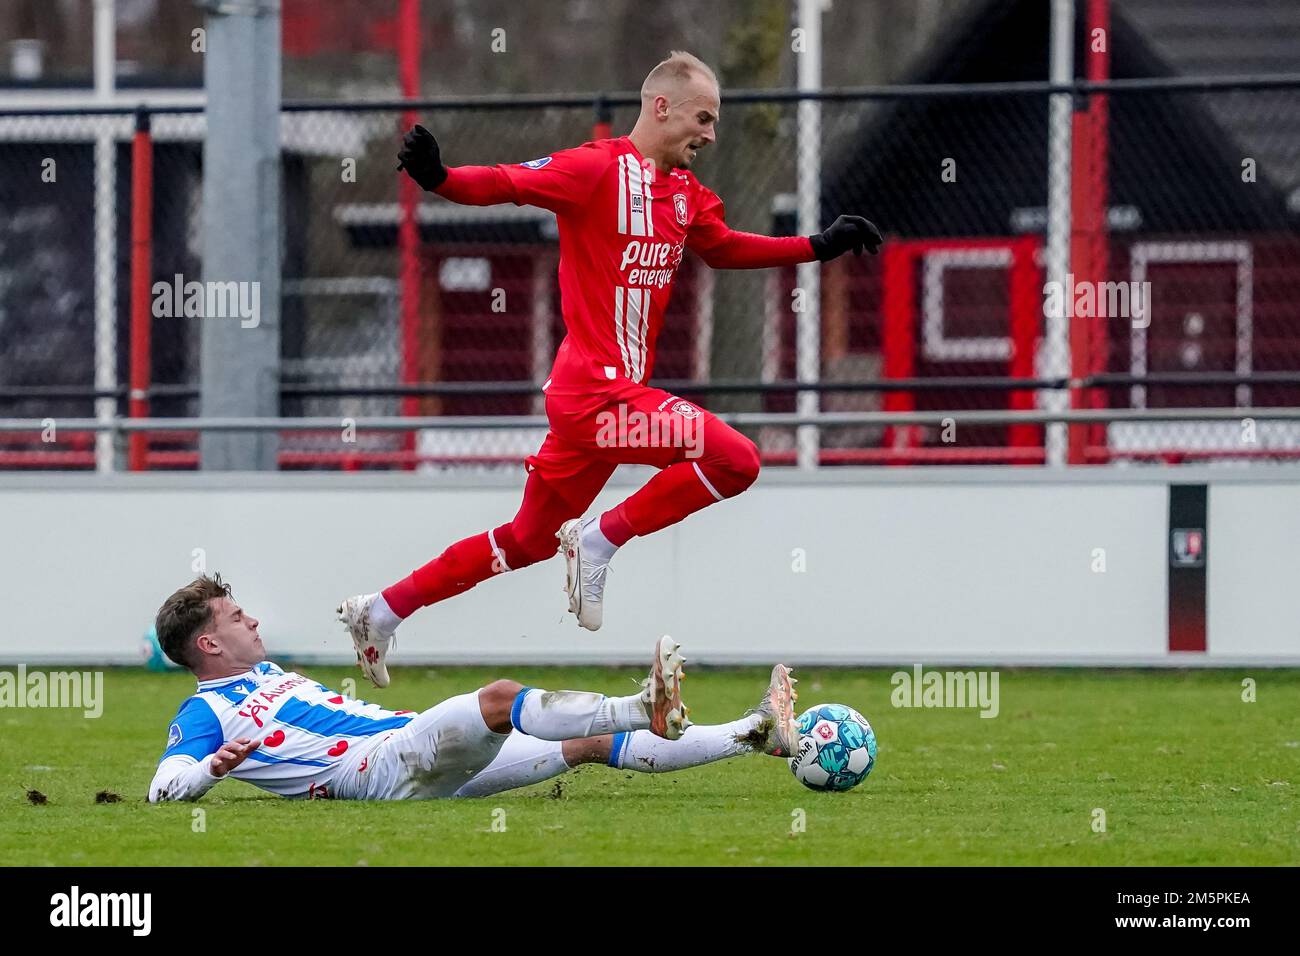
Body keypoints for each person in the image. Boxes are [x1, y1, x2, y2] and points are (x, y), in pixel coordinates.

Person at [338, 50, 881, 687]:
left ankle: (381, 610)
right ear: (661, 107)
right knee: (736, 460)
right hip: (595, 398)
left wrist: (818, 245)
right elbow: (510, 182)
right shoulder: (596, 168)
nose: (710, 133)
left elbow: (727, 248)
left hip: (606, 406)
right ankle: (599, 541)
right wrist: (441, 179)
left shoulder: (686, 195)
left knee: (528, 541)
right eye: (703, 118)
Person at [148, 574, 801, 803]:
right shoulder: (204, 711)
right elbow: (163, 787)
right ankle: (643, 706)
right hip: (379, 769)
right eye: (236, 618)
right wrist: (208, 769)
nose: (252, 620)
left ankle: (754, 733)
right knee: (497, 699)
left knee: (591, 743)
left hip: (409, 757)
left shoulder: (264, 673)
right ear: (207, 644)